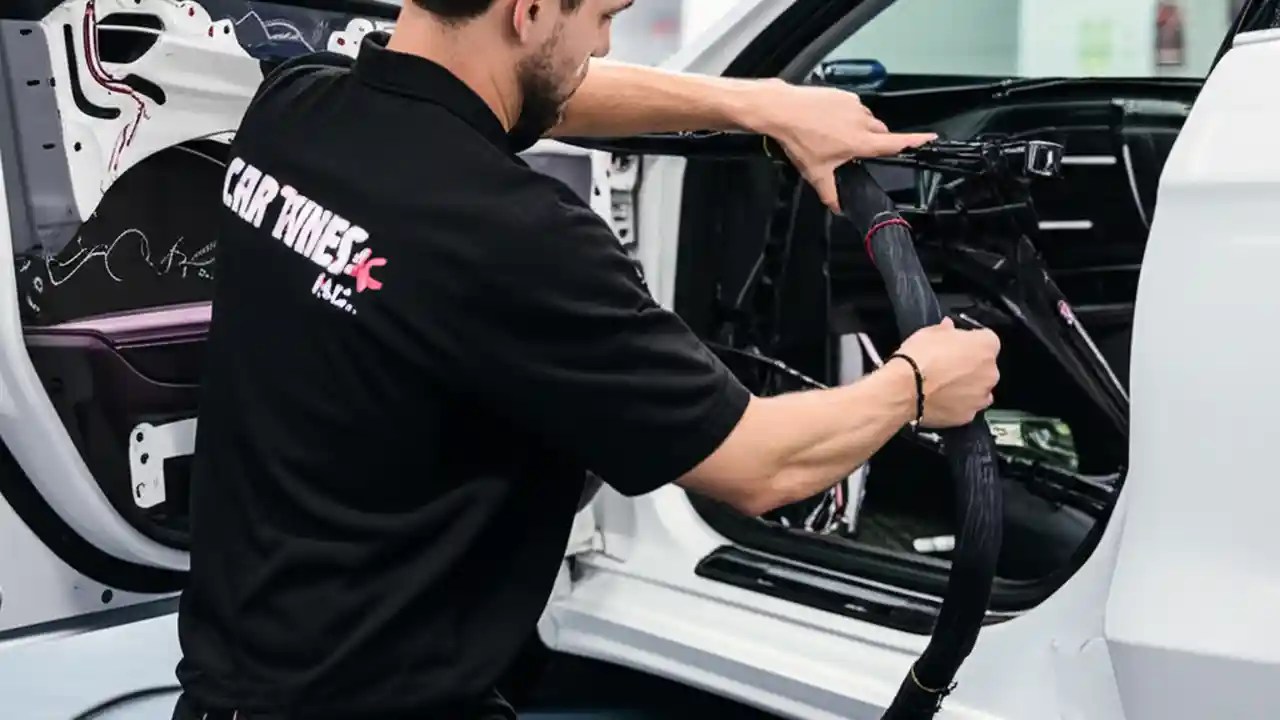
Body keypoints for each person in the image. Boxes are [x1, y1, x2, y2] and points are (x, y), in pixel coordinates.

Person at [171, 0, 1001, 718]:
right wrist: (918, 384)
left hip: (228, 693)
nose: (603, 49)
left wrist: (762, 104)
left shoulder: (294, 107)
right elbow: (761, 465)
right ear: (526, 9)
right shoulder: (517, 238)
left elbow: (533, 93)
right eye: (602, 18)